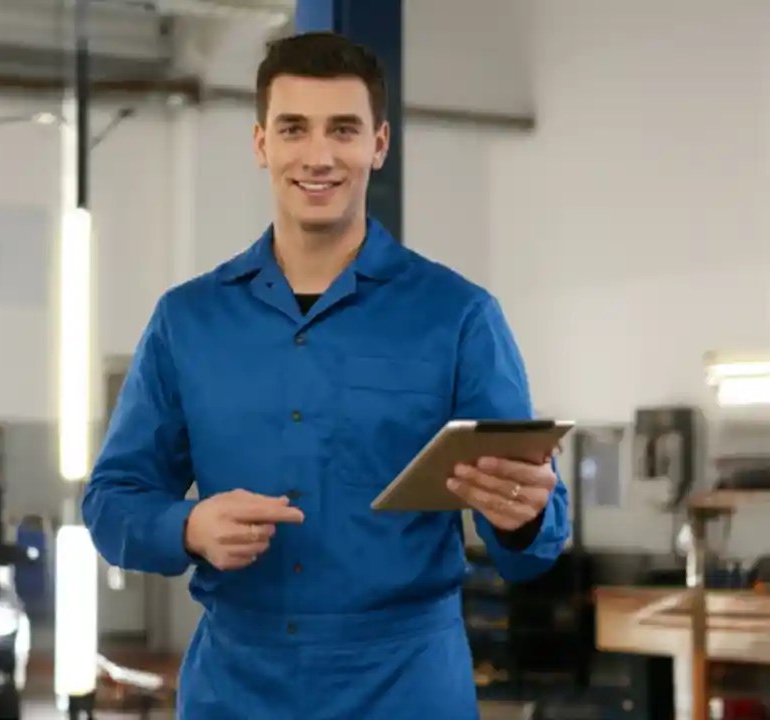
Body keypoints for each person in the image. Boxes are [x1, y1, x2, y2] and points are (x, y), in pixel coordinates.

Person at [80, 31, 571, 720]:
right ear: (261, 145)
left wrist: (523, 518)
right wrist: (188, 526)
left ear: (379, 144)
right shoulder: (186, 322)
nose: (318, 155)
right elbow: (110, 502)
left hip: (405, 687)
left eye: (343, 129)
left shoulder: (458, 317)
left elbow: (533, 546)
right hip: (236, 688)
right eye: (293, 129)